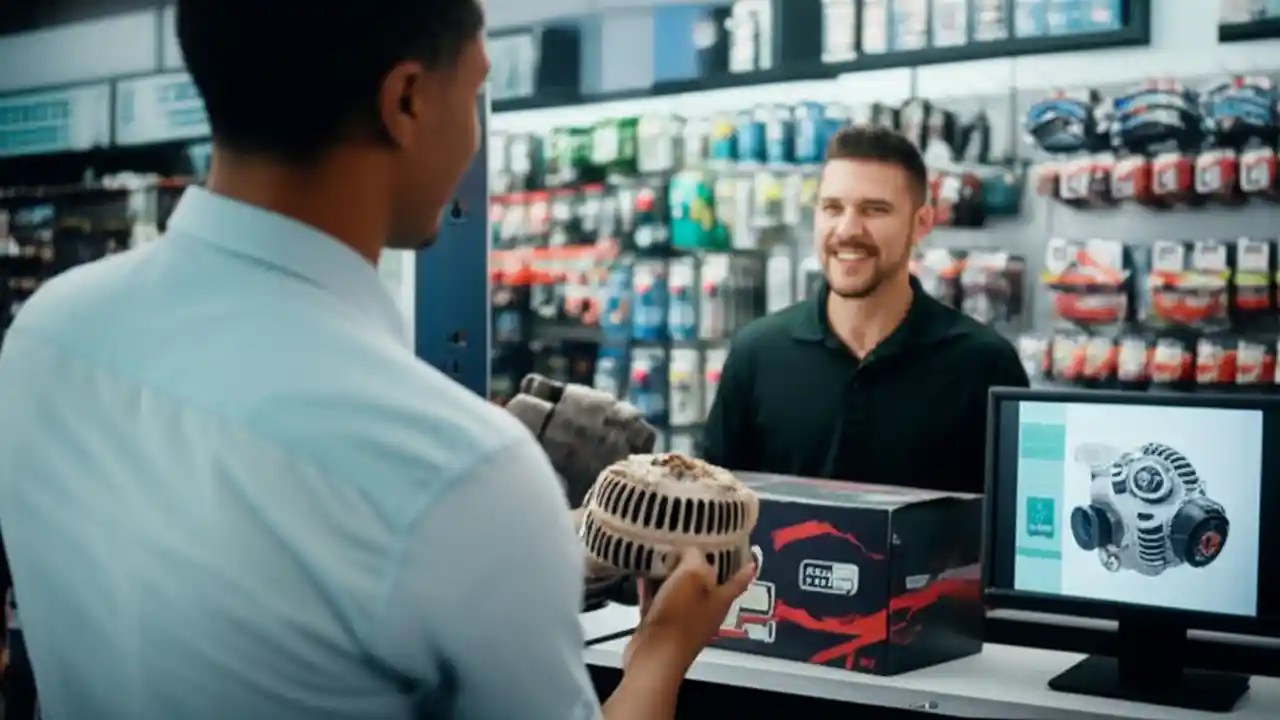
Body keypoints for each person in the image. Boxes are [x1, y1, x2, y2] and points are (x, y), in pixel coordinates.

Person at [0, 2, 752, 719]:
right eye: (478, 90)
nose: (473, 138)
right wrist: (663, 646)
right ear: (409, 101)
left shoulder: (46, 337)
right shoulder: (461, 470)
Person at [703, 125, 1029, 495]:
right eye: (832, 208)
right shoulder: (756, 354)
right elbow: (713, 514)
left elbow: (1015, 531)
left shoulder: (985, 365)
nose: (847, 229)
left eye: (874, 210)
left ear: (921, 223)